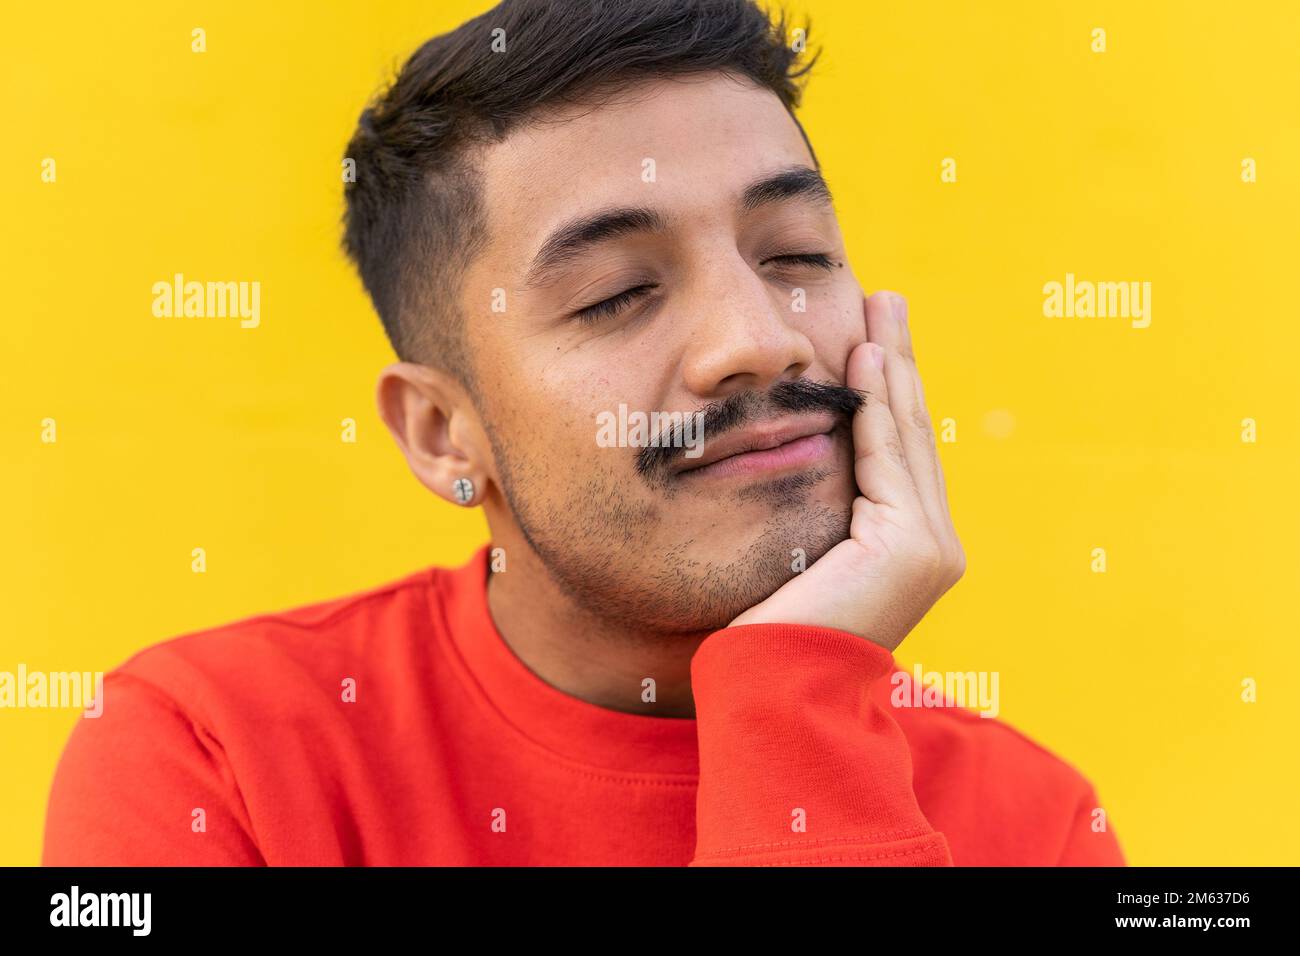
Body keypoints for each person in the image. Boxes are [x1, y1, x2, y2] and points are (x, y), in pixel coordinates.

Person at [44, 0, 1124, 866]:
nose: (759, 340)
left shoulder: (1033, 823)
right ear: (440, 432)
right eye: (616, 294)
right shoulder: (211, 755)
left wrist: (794, 699)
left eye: (795, 254)